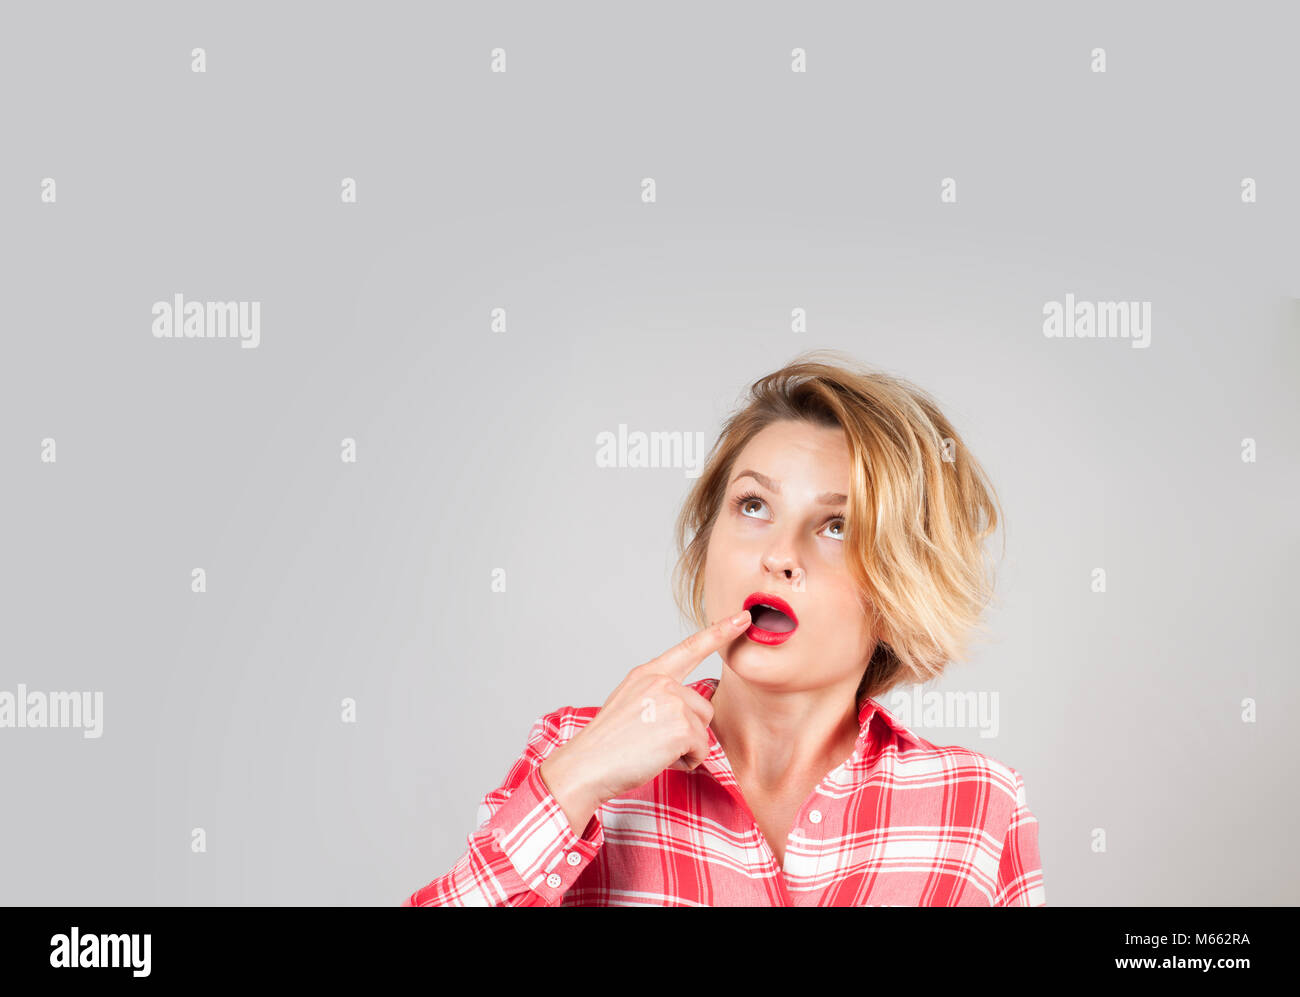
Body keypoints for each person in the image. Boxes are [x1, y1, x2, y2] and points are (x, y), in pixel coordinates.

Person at [402, 350, 1046, 906]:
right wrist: (576, 779)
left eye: (837, 526)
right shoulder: (574, 749)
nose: (779, 555)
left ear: (906, 581)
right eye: (754, 506)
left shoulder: (976, 803)